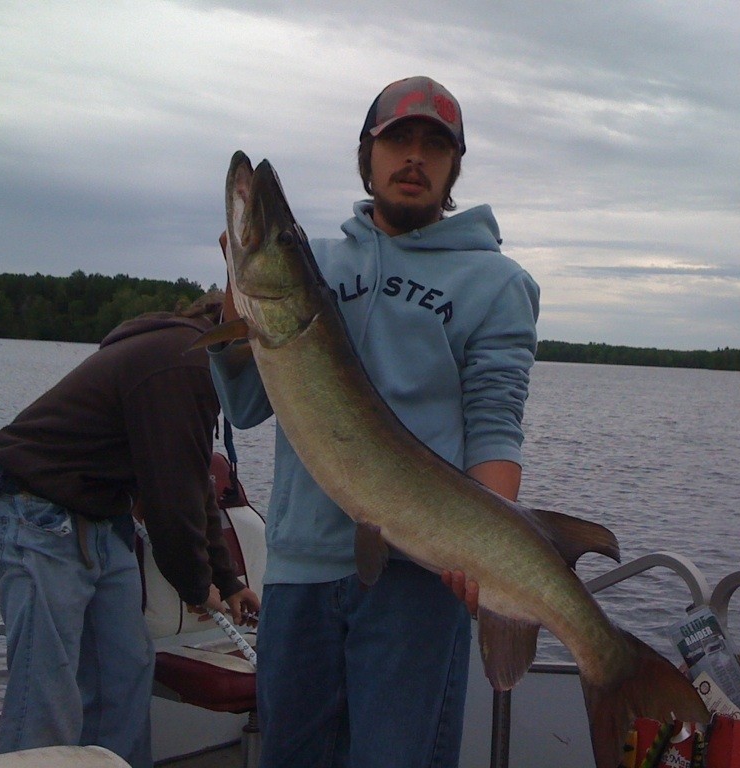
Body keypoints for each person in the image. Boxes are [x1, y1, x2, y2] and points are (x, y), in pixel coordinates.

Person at [210, 76, 540, 767]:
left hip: (416, 579)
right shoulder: (313, 264)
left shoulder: (497, 284)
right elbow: (245, 408)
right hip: (298, 572)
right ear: (368, 156)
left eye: (434, 146)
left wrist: (486, 549)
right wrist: (232, 313)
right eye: (398, 141)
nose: (414, 158)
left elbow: (494, 424)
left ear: (453, 168)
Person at [0, 292, 261, 768]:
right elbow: (171, 494)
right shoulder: (180, 365)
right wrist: (196, 585)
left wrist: (227, 582)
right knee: (48, 685)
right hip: (35, 509)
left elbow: (192, 482)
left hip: (103, 517)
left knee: (126, 671)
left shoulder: (193, 365)